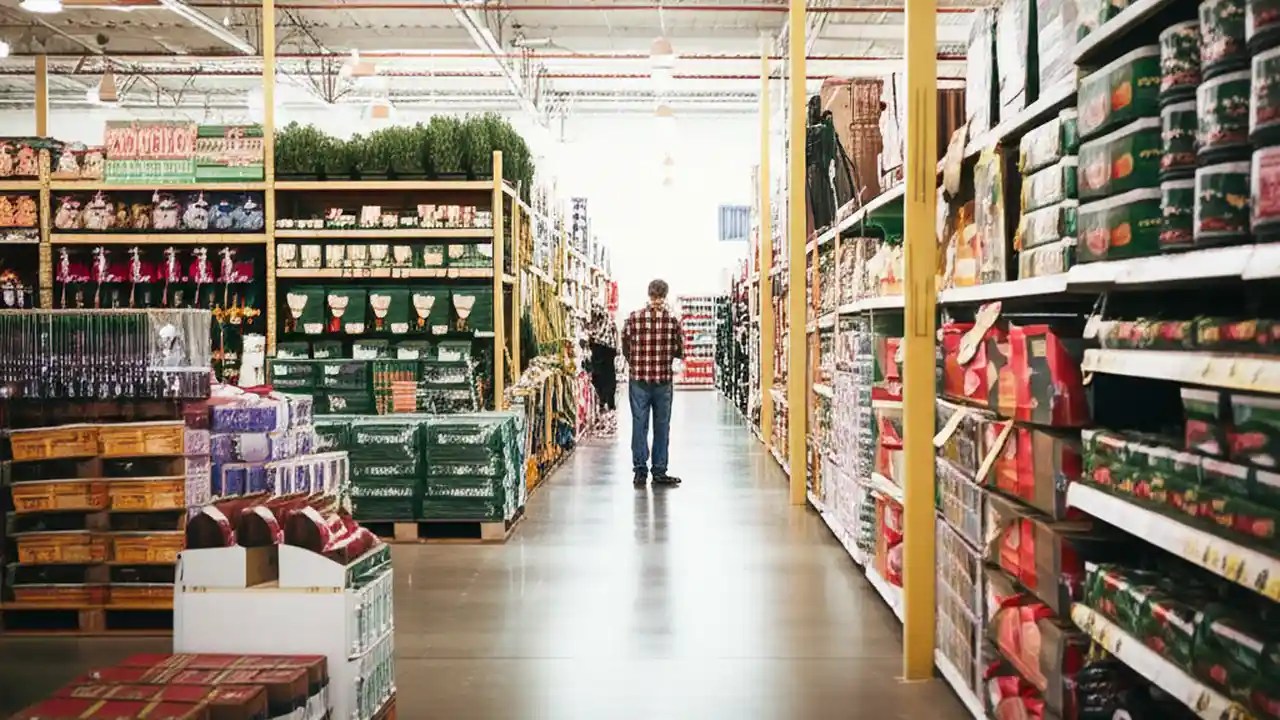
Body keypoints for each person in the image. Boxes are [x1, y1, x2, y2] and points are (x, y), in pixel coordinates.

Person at [621, 279, 683, 488]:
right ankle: (659, 471)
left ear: (649, 294)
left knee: (639, 425)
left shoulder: (633, 318)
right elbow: (679, 350)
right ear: (665, 295)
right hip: (663, 381)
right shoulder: (672, 321)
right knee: (662, 426)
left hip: (639, 380)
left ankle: (640, 471)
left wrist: (636, 362)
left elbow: (625, 346)